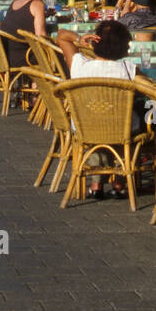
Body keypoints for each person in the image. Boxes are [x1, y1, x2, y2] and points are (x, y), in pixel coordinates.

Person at [55, 20, 143, 197]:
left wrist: (79, 38)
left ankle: (96, 184)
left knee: (95, 129)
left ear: (96, 42)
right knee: (135, 122)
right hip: (121, 128)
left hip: (85, 126)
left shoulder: (79, 65)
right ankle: (120, 181)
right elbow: (151, 88)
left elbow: (61, 36)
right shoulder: (128, 69)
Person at [0, 0, 47, 70]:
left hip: (4, 54)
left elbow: (23, 18)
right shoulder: (38, 5)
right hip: (23, 57)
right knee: (56, 55)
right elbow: (41, 37)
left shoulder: (14, 3)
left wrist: (44, 15)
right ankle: (40, 83)